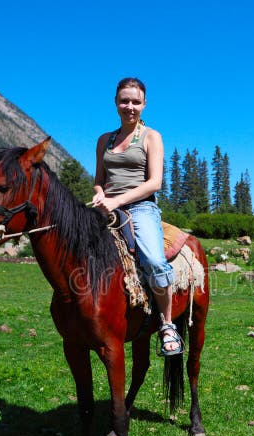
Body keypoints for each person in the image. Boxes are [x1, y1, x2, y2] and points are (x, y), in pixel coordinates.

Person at [92, 77, 183, 356]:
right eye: (124, 100)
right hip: (106, 207)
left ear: (144, 104)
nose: (129, 106)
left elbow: (154, 183)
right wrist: (99, 194)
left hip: (141, 207)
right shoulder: (104, 140)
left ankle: (167, 324)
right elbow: (99, 178)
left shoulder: (151, 137)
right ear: (116, 103)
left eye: (135, 101)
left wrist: (116, 200)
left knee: (154, 260)